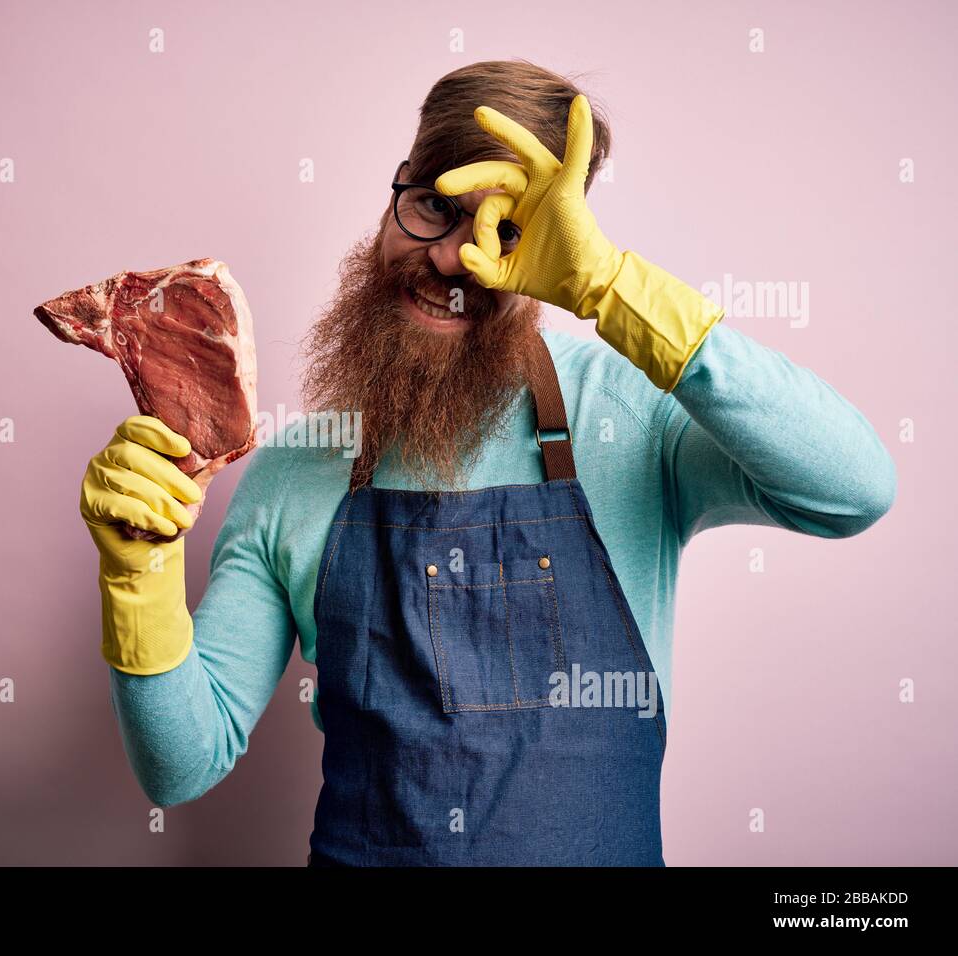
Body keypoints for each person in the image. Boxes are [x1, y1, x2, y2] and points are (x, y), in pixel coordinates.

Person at [78, 60, 896, 866]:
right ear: (395, 191)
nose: (450, 261)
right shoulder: (298, 469)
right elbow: (181, 765)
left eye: (506, 232)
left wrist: (615, 289)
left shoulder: (630, 417)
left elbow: (853, 489)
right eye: (433, 206)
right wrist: (139, 573)